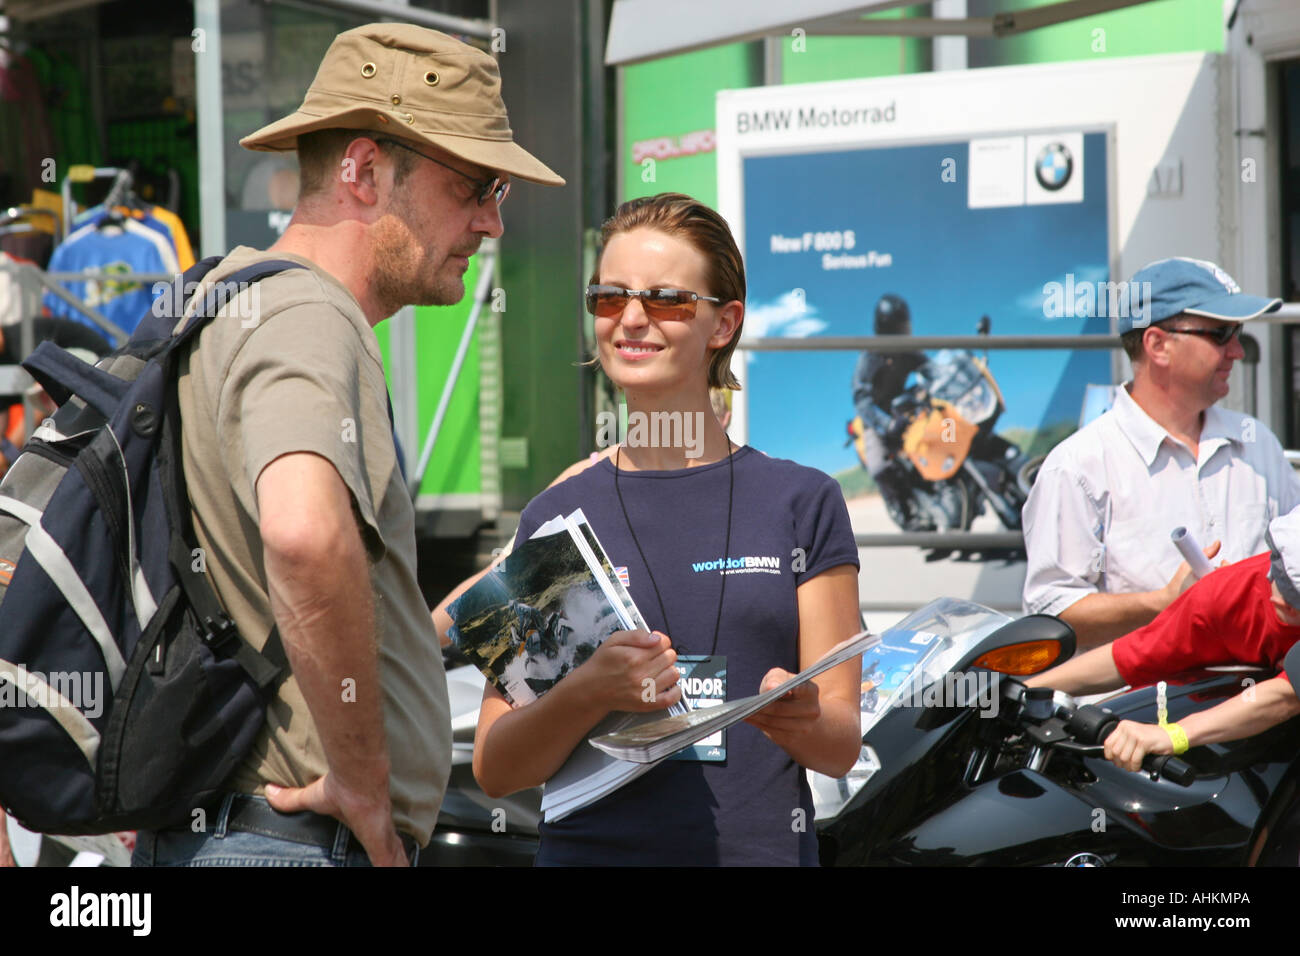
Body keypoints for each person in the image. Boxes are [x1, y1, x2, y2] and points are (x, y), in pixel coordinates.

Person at [131, 23, 563, 867]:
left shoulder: (219, 301)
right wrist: (362, 782)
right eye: (476, 187)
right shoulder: (309, 315)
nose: (490, 224)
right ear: (363, 170)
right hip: (291, 842)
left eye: (498, 195)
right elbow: (302, 537)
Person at [471, 193, 863, 866]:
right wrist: (586, 694)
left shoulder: (804, 501)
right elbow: (496, 766)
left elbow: (840, 743)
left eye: (665, 300)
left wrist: (795, 715)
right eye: (610, 297)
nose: (631, 318)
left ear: (722, 323)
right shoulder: (555, 516)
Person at [1022, 257, 1300, 649]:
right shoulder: (1079, 466)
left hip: (1257, 700)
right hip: (1139, 706)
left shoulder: (1258, 443)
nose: (1238, 350)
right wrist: (1164, 603)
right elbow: (1050, 615)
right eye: (1221, 334)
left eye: (1237, 332)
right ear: (1157, 345)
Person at [1026, 511, 1300, 772]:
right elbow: (1131, 656)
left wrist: (1173, 736)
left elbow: (1283, 697)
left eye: (1296, 599)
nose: (1278, 597)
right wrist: (1018, 690)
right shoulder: (1228, 594)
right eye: (1277, 572)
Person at [851, 294, 929, 528]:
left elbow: (930, 369)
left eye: (906, 326)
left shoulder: (909, 350)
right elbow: (861, 399)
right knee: (880, 467)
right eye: (900, 327)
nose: (905, 331)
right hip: (877, 419)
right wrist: (885, 424)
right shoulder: (870, 356)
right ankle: (906, 515)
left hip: (905, 409)